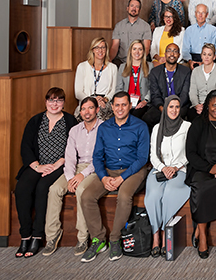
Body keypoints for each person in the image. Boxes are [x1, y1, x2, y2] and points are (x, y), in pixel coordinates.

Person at [80, 91, 149, 262]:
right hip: (109, 170)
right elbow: (97, 157)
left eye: (124, 105)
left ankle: (115, 239)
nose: (120, 108)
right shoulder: (104, 128)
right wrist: (103, 177)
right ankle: (98, 239)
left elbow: (142, 158)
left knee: (124, 195)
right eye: (117, 105)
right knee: (87, 196)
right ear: (112, 107)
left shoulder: (140, 126)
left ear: (130, 106)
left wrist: (121, 178)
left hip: (133, 170)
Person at [14, 88, 78, 258]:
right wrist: (37, 166)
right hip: (37, 165)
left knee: (43, 189)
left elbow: (74, 148)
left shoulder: (70, 121)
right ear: (45, 102)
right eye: (51, 100)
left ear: (63, 102)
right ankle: (25, 236)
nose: (54, 104)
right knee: (22, 189)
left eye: (58, 100)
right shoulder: (35, 121)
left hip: (60, 166)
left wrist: (58, 163)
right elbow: (25, 147)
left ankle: (37, 236)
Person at [42, 97, 100, 257]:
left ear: (97, 110)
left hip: (94, 169)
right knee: (54, 189)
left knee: (81, 190)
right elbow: (70, 156)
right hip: (74, 168)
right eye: (83, 109)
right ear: (80, 112)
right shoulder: (75, 130)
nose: (86, 112)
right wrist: (69, 178)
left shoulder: (104, 128)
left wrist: (82, 175)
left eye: (90, 108)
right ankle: (52, 236)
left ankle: (82, 237)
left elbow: (101, 158)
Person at [185, 90, 216, 259]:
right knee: (199, 188)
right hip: (203, 167)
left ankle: (200, 229)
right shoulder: (198, 124)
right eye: (214, 105)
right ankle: (202, 234)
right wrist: (209, 168)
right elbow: (190, 153)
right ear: (207, 105)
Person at [144, 95, 191, 258]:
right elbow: (153, 155)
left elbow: (190, 152)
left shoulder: (187, 127)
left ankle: (165, 234)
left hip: (180, 169)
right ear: (166, 108)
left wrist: (176, 167)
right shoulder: (157, 128)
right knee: (153, 196)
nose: (174, 110)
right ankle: (155, 235)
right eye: (171, 107)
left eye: (177, 107)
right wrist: (164, 168)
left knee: (170, 193)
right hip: (159, 170)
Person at [143, 43, 191, 129]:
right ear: (165, 54)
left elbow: (185, 94)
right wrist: (163, 109)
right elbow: (155, 94)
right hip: (161, 105)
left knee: (182, 117)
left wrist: (175, 107)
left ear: (179, 55)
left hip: (180, 105)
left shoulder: (186, 71)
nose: (172, 54)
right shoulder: (155, 72)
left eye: (175, 51)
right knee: (148, 118)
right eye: (169, 51)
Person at [75, 37, 118, 121]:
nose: (100, 50)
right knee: (90, 110)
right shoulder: (82, 66)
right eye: (97, 48)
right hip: (87, 100)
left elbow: (114, 90)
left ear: (106, 50)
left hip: (105, 101)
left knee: (100, 111)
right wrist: (93, 100)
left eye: (103, 47)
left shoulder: (113, 67)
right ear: (93, 50)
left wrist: (105, 99)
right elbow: (78, 92)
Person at [110, 0, 152, 67]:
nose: (134, 8)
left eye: (137, 7)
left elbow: (146, 48)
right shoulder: (119, 26)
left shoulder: (146, 26)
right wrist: (109, 59)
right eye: (132, 6)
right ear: (127, 8)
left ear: (139, 10)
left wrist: (137, 61)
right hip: (121, 61)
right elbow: (114, 47)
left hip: (139, 61)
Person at [116, 39, 152, 119]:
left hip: (142, 101)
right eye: (134, 49)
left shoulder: (149, 66)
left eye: (140, 49)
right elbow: (119, 88)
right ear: (130, 51)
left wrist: (145, 100)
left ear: (143, 52)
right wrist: (122, 103)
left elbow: (152, 87)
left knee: (133, 117)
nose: (137, 52)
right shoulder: (122, 67)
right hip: (126, 102)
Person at [188, 44, 216, 121]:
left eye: (209, 55)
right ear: (201, 56)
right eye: (204, 54)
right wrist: (197, 105)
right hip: (198, 105)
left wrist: (208, 106)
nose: (206, 57)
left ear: (214, 57)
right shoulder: (196, 71)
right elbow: (192, 92)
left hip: (214, 105)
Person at [181, 3, 216, 68]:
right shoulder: (189, 30)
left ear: (207, 15)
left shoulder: (213, 30)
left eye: (203, 13)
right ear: (195, 14)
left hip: (207, 58)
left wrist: (205, 61)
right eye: (198, 12)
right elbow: (185, 50)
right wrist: (190, 61)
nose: (200, 15)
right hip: (192, 58)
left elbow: (214, 49)